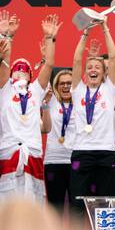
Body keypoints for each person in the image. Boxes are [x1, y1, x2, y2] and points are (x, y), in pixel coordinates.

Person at [0, 14, 58, 204]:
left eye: (25, 69)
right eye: (17, 68)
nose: (20, 71)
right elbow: (4, 63)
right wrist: (7, 36)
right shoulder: (4, 91)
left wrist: (49, 38)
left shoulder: (36, 91)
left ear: (30, 76)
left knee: (33, 203)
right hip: (10, 150)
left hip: (33, 151)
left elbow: (50, 65)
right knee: (8, 203)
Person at [64, 14, 115, 218]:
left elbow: (114, 58)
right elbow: (76, 59)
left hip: (106, 151)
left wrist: (105, 28)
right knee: (77, 203)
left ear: (104, 72)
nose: (92, 69)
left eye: (97, 67)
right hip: (82, 151)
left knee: (106, 203)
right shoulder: (78, 89)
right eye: (89, 67)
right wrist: (86, 32)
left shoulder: (109, 89)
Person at [41, 68, 75, 211]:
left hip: (76, 161)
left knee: (76, 207)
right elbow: (46, 73)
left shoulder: (82, 103)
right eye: (62, 84)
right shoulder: (51, 101)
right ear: (56, 86)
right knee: (55, 207)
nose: (66, 86)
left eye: (69, 83)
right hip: (54, 160)